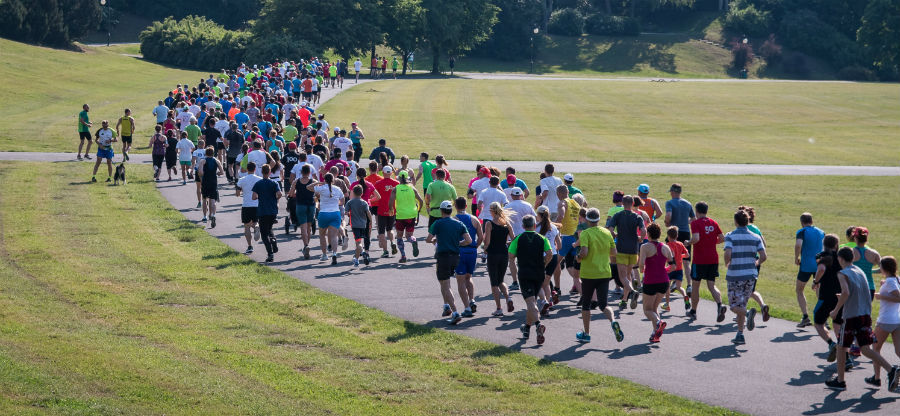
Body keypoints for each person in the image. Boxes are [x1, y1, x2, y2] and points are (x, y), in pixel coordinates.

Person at [825, 247, 899, 392]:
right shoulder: (861, 272)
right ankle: (891, 370)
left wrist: (835, 310)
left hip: (851, 316)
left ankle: (840, 381)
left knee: (841, 346)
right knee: (864, 348)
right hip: (864, 315)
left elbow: (846, 292)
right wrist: (846, 297)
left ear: (840, 259)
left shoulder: (842, 273)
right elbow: (859, 292)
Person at [575, 208, 622, 343]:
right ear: (598, 219)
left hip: (589, 273)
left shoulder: (585, 233)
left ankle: (587, 333)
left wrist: (578, 257)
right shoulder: (607, 232)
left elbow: (583, 252)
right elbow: (614, 252)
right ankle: (613, 321)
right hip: (604, 272)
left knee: (586, 304)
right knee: (603, 304)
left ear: (588, 220)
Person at [723, 210, 767, 345]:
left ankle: (748, 313)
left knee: (734, 306)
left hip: (735, 274)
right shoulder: (755, 237)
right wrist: (756, 263)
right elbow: (763, 256)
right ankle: (740, 334)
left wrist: (727, 263)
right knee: (742, 303)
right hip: (750, 275)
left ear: (735, 221)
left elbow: (727, 253)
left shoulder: (730, 236)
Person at [426, 200, 473, 325]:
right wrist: (459, 243)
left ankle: (455, 312)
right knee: (444, 283)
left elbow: (428, 239)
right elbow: (468, 240)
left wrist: (435, 240)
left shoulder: (437, 223)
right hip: (455, 257)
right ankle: (446, 306)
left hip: (443, 257)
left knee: (445, 285)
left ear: (441, 211)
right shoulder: (459, 224)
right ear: (451, 211)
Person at [508, 215, 552, 345]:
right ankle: (526, 328)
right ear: (534, 226)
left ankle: (538, 325)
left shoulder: (518, 238)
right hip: (538, 274)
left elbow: (511, 255)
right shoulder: (542, 238)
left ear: (523, 227)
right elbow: (549, 253)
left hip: (525, 274)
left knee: (531, 302)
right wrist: (544, 264)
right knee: (531, 302)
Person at [688, 201, 726, 322]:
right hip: (713, 258)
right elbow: (722, 238)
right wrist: (711, 242)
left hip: (699, 260)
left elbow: (696, 238)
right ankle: (720, 305)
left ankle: (693, 311)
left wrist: (688, 243)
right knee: (711, 285)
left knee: (695, 285)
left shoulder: (695, 223)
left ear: (697, 211)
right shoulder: (713, 222)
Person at [607, 195, 645, 310]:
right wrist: (641, 239)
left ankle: (633, 292)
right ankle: (624, 300)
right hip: (633, 250)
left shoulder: (617, 215)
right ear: (633, 203)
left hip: (622, 249)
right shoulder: (637, 216)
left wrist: (615, 235)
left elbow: (610, 229)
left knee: (622, 277)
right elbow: (644, 230)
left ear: (622, 203)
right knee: (628, 275)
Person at [638, 223, 674, 343]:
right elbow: (673, 266)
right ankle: (655, 334)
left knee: (647, 310)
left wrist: (642, 270)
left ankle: (659, 322)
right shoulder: (666, 247)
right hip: (664, 282)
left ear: (648, 234)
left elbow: (641, 265)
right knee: (654, 308)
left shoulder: (645, 247)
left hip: (650, 281)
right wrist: (664, 270)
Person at [812, 234, 844, 363]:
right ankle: (845, 356)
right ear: (836, 244)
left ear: (824, 244)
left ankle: (831, 344)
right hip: (841, 295)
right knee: (838, 324)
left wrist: (815, 281)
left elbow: (821, 268)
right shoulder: (841, 257)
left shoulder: (822, 256)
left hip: (826, 295)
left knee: (818, 322)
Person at [869, 256, 900, 388]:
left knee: (875, 349)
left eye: (880, 266)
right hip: (896, 320)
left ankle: (877, 378)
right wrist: (884, 286)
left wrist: (881, 296)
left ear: (884, 268)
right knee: (899, 351)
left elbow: (898, 297)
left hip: (885, 321)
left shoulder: (891, 283)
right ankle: (877, 378)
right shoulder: (896, 279)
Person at [483, 202, 515, 316]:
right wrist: (506, 243)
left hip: (493, 254)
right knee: (501, 280)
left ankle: (499, 308)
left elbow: (487, 241)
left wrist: (484, 249)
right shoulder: (506, 223)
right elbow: (513, 239)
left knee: (494, 282)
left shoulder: (489, 224)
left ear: (492, 211)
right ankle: (508, 298)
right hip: (504, 253)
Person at [454, 197, 484, 317]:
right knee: (469, 277)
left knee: (460, 280)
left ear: (455, 206)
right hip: (472, 251)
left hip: (460, 251)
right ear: (466, 206)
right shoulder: (475, 219)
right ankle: (472, 300)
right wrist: (475, 247)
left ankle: (467, 308)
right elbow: (481, 237)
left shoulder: (454, 220)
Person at [795, 212, 825, 327]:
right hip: (819, 265)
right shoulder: (821, 232)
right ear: (812, 221)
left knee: (799, 290)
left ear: (802, 222)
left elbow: (798, 245)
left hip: (806, 265)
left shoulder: (802, 232)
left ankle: (805, 317)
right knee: (820, 291)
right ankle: (824, 319)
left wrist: (796, 257)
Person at [309, 173, 345, 265]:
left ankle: (324, 254)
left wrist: (318, 182)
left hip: (324, 213)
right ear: (333, 180)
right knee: (333, 236)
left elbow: (308, 187)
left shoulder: (321, 188)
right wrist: (337, 204)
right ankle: (334, 253)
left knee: (322, 235)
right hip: (335, 213)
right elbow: (343, 200)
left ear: (325, 180)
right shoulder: (337, 189)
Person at [664, 184, 695, 293]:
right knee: (686, 261)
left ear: (672, 192)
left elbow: (668, 215)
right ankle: (689, 285)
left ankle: (670, 281)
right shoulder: (687, 203)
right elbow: (694, 218)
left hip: (673, 233)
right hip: (686, 233)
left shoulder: (670, 203)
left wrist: (667, 222)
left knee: (671, 258)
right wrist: (686, 222)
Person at [504, 187, 536, 291]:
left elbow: (505, 223)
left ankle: (515, 281)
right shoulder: (528, 205)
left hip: (514, 237)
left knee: (512, 259)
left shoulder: (508, 206)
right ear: (521, 195)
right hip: (528, 235)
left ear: (512, 196)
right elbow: (534, 219)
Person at [390, 171, 424, 263]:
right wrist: (419, 210)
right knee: (409, 236)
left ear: (399, 179)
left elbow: (391, 201)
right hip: (411, 215)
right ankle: (413, 241)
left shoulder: (396, 189)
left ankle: (403, 256)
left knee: (400, 237)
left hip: (400, 215)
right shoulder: (412, 188)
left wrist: (391, 210)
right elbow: (421, 201)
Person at [251, 164, 283, 263]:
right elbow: (279, 194)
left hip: (262, 210)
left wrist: (260, 196)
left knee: (264, 234)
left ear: (262, 172)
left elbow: (254, 197)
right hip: (273, 210)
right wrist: (275, 198)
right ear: (270, 172)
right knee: (269, 228)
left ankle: (270, 254)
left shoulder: (258, 184)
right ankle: (273, 239)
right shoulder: (274, 183)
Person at [556, 184, 582, 301]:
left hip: (566, 237)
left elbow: (561, 216)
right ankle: (580, 284)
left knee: (554, 262)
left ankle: (556, 288)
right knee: (570, 265)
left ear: (559, 194)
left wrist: (554, 226)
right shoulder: (575, 203)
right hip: (575, 236)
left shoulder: (562, 202)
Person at [288, 164, 317, 259]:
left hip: (300, 205)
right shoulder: (313, 182)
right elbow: (318, 193)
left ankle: (306, 245)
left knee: (303, 228)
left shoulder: (296, 181)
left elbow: (291, 194)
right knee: (309, 227)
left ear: (301, 172)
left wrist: (296, 192)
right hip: (311, 205)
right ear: (309, 172)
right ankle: (307, 245)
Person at [235, 162, 262, 254]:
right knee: (255, 221)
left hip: (246, 205)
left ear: (247, 169)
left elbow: (237, 194)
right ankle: (257, 226)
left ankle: (250, 246)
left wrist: (243, 191)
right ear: (255, 169)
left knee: (246, 226)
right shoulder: (259, 179)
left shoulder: (242, 179)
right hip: (257, 204)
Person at [345, 185, 373, 267]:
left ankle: (363, 253)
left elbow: (346, 213)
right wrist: (370, 221)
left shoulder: (350, 202)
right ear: (362, 193)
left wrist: (350, 214)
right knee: (358, 243)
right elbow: (368, 213)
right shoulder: (364, 202)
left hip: (355, 225)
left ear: (353, 192)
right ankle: (356, 260)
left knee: (358, 243)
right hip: (363, 225)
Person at [374, 166, 399, 258]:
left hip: (381, 210)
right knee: (390, 229)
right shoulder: (397, 183)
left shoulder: (378, 183)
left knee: (381, 231)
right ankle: (393, 242)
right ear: (391, 173)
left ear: (383, 173)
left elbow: (375, 195)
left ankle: (385, 251)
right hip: (392, 210)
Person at [664, 226, 690, 312]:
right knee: (679, 287)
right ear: (677, 235)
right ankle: (685, 297)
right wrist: (680, 256)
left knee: (667, 287)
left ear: (668, 236)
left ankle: (667, 304)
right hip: (679, 269)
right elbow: (687, 255)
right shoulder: (680, 244)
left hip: (670, 269)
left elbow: (668, 257)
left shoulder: (667, 245)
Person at [197, 146, 224, 228]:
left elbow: (201, 172)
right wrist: (216, 173)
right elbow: (222, 172)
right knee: (213, 200)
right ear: (213, 153)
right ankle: (213, 215)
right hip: (213, 182)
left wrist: (202, 175)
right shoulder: (216, 161)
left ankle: (205, 216)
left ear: (206, 153)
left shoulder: (203, 161)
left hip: (205, 182)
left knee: (204, 199)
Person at [851, 227, 881, 300]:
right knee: (866, 311)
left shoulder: (851, 252)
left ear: (855, 238)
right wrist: (871, 271)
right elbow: (883, 269)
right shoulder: (874, 253)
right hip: (870, 287)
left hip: (855, 286)